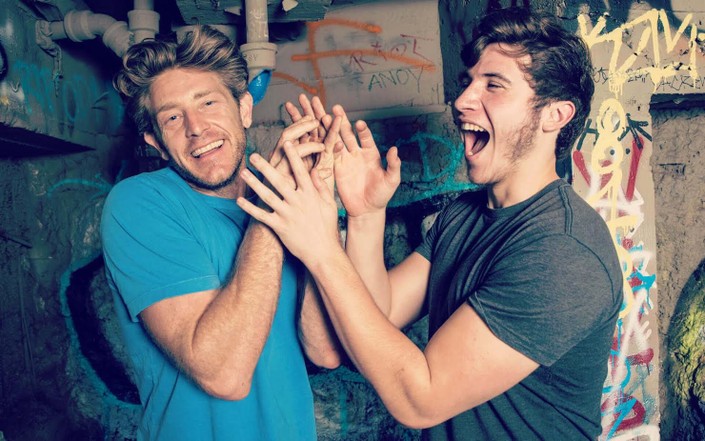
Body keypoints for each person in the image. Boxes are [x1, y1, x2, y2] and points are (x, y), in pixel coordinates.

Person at [236, 7, 624, 441]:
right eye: (468, 82)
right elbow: (376, 319)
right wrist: (365, 214)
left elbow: (420, 398)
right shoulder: (463, 214)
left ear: (555, 115)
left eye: (493, 85)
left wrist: (323, 246)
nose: (462, 101)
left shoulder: (564, 250)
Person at [100, 25, 340, 441]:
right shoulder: (137, 204)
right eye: (172, 117)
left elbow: (325, 350)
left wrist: (318, 202)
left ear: (244, 109)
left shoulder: (284, 201)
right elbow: (224, 374)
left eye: (208, 102)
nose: (196, 127)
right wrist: (271, 210)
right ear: (155, 141)